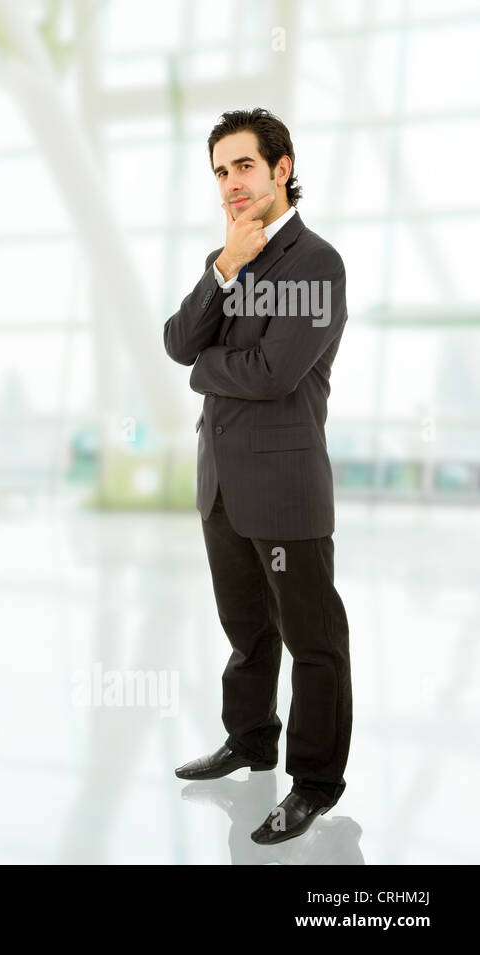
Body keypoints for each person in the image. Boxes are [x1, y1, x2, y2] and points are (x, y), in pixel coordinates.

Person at [162, 109, 351, 845]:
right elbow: (180, 339)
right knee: (246, 630)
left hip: (285, 485)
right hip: (221, 483)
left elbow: (274, 373)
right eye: (219, 171)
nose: (231, 183)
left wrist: (206, 368)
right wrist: (223, 270)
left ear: (282, 167)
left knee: (313, 638)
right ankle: (250, 740)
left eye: (244, 165)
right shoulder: (228, 257)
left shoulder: (317, 262)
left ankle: (315, 781)